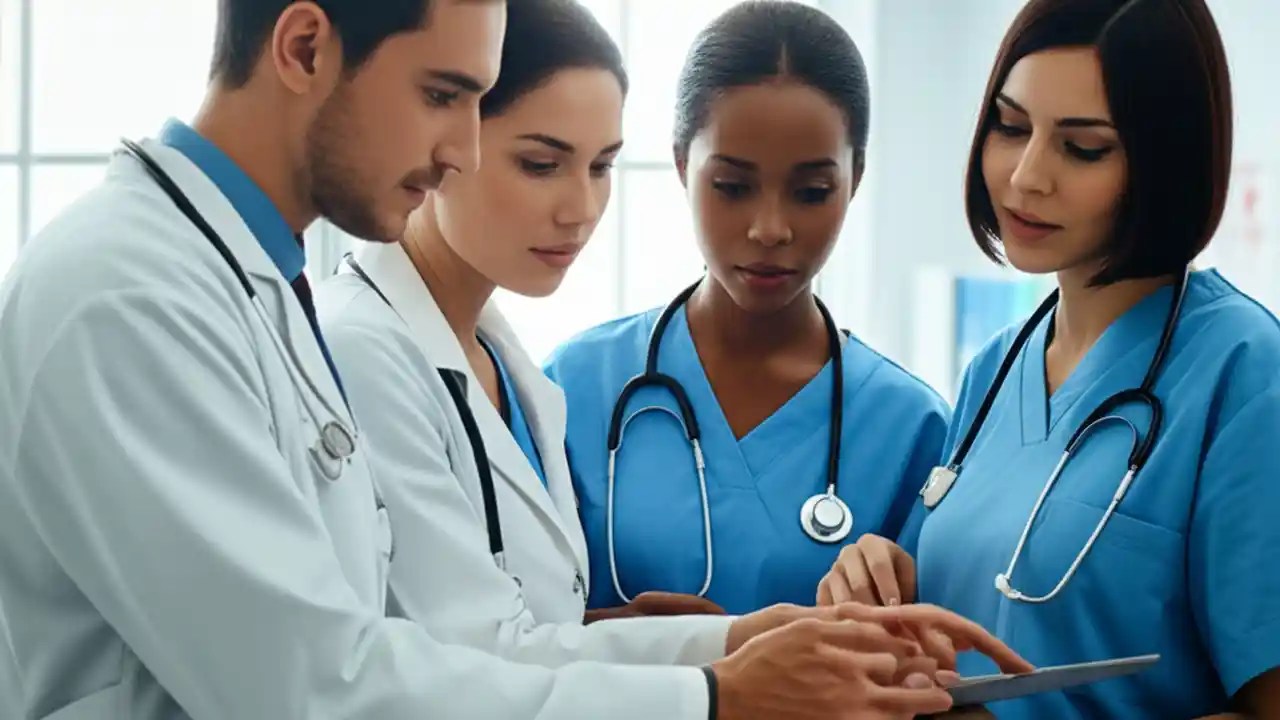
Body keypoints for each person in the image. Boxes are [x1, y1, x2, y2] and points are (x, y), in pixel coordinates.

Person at [0, 0, 1026, 718]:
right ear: (305, 47)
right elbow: (316, 687)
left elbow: (475, 654)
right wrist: (715, 693)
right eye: (446, 94)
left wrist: (731, 644)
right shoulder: (130, 294)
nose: (459, 149)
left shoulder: (264, 294)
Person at [314, 0, 1029, 713]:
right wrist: (722, 672)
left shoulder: (510, 372)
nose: (580, 209)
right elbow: (475, 658)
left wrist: (739, 643)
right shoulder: (511, 369)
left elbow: (521, 640)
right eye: (541, 163)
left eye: (602, 166)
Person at [816, 0, 1280, 718]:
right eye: (1010, 126)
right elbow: (944, 627)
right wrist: (876, 580)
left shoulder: (1244, 375)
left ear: (1169, 159)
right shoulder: (995, 370)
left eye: (1083, 147)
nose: (1026, 176)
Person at [543, 0, 951, 616]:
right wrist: (639, 646)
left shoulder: (913, 426)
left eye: (812, 192)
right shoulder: (571, 387)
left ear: (855, 179)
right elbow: (506, 638)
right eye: (732, 187)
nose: (769, 229)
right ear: (683, 166)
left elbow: (923, 667)